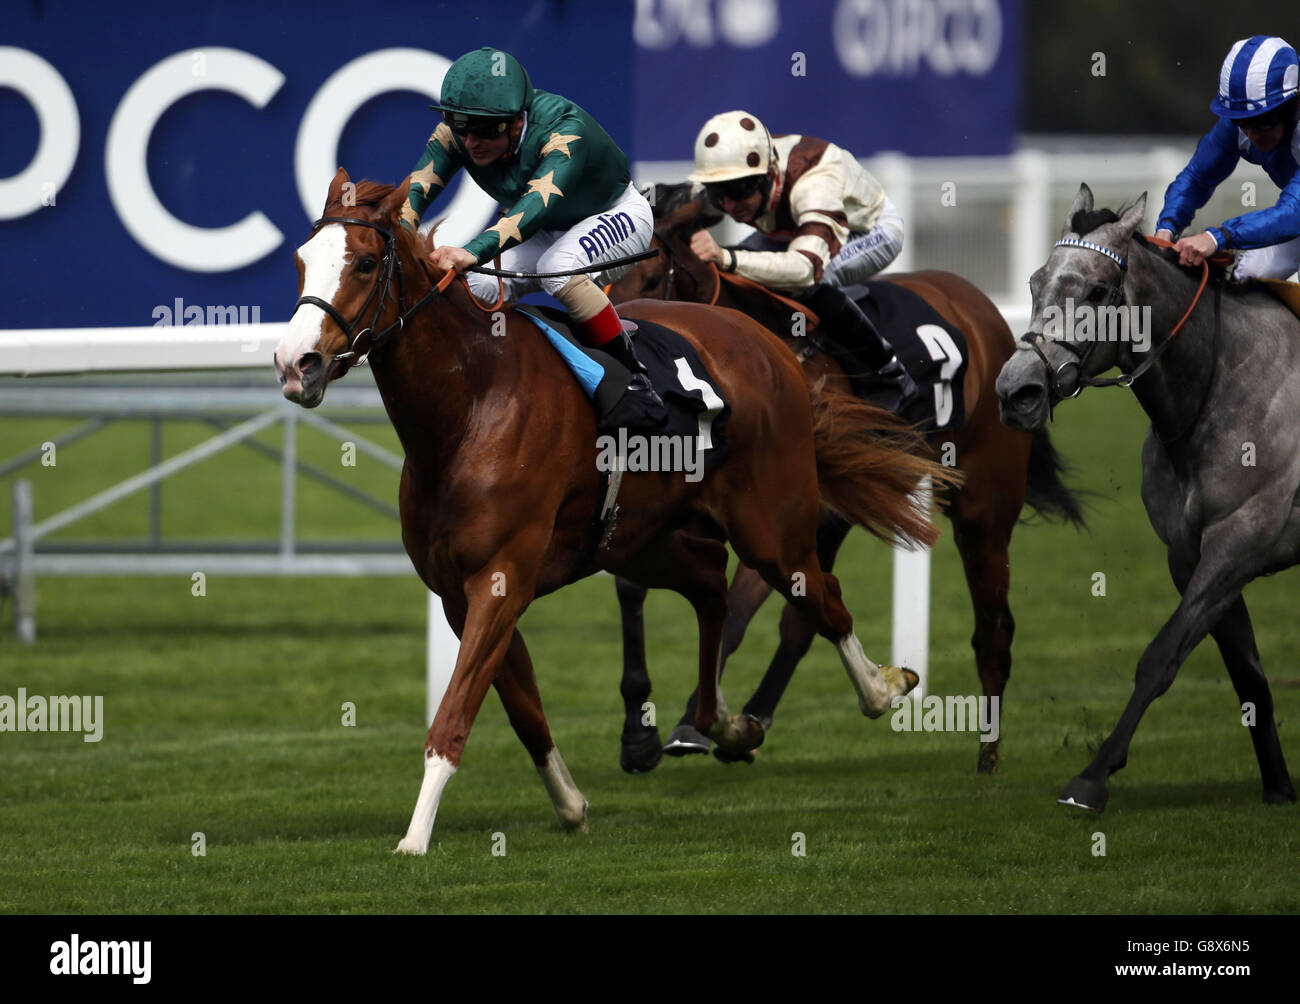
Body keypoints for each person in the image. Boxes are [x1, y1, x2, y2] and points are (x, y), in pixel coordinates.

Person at [401, 46, 665, 430]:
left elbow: (531, 210)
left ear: (519, 120)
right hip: (547, 228)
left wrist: (471, 251)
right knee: (477, 286)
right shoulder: (457, 133)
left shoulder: (564, 131)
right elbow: (415, 194)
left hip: (617, 213)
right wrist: (399, 241)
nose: (472, 141)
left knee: (557, 268)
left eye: (487, 129)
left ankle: (634, 383)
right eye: (462, 126)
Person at [686, 110, 918, 408]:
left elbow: (805, 269)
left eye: (739, 190)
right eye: (719, 193)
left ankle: (889, 373)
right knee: (739, 274)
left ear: (769, 174)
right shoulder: (745, 177)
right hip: (794, 228)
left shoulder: (815, 181)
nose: (729, 205)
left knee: (808, 284)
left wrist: (727, 257)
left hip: (867, 230)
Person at [1155, 35, 1300, 280]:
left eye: (1261, 123)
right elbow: (1197, 178)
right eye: (1242, 123)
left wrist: (1218, 236)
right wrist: (1166, 227)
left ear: (1292, 107)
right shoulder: (1238, 126)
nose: (1251, 135)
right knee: (1249, 277)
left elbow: (1293, 213)